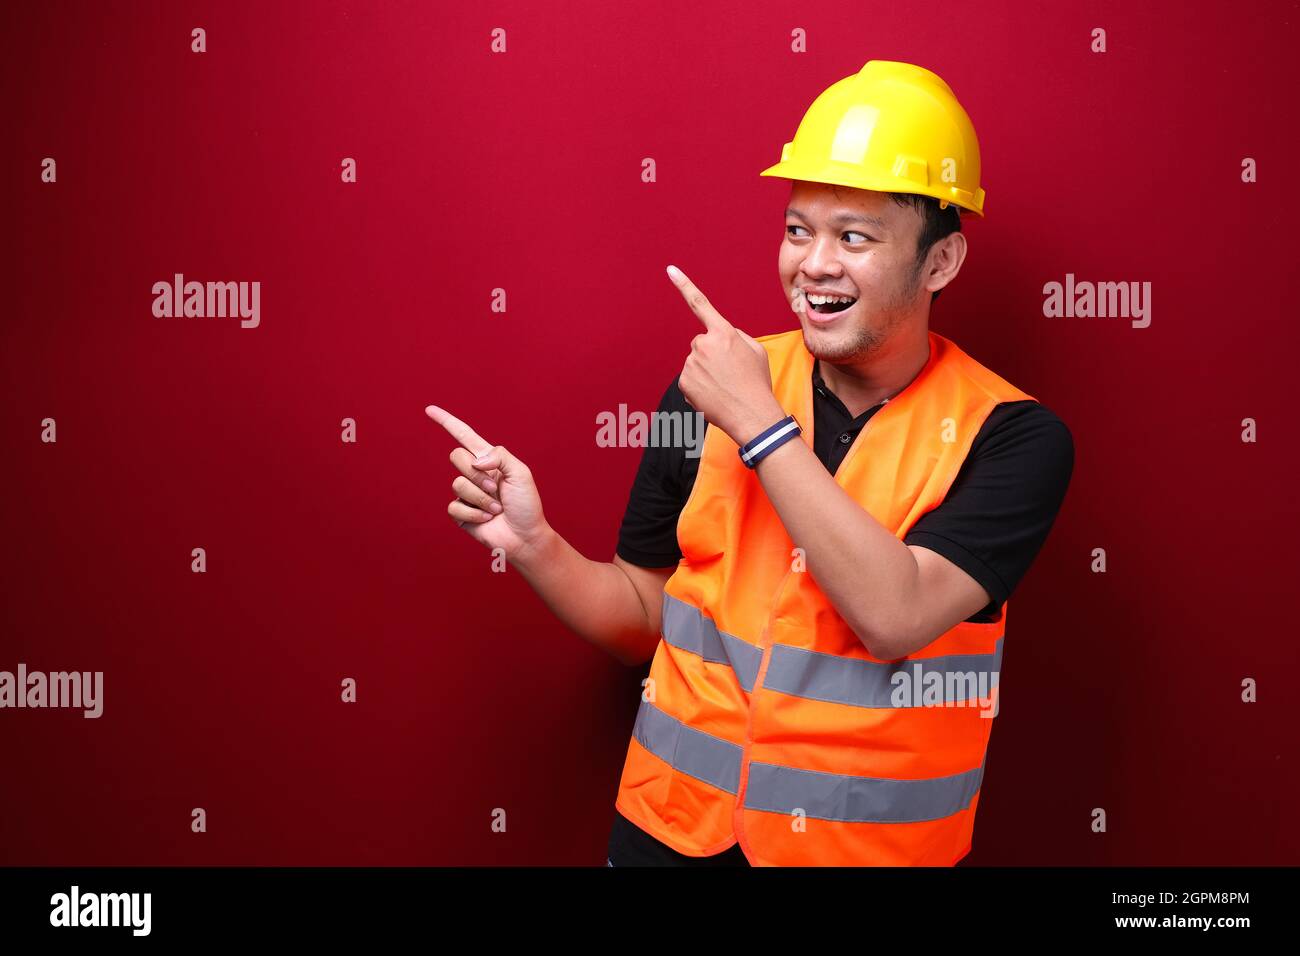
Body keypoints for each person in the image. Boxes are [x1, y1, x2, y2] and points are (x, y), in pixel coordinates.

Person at [427, 60, 1073, 867]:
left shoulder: (1011, 436)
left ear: (940, 263)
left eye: (855, 237)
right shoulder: (706, 391)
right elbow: (643, 613)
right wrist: (536, 545)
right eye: (799, 229)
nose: (815, 264)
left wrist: (760, 424)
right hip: (667, 835)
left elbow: (896, 615)